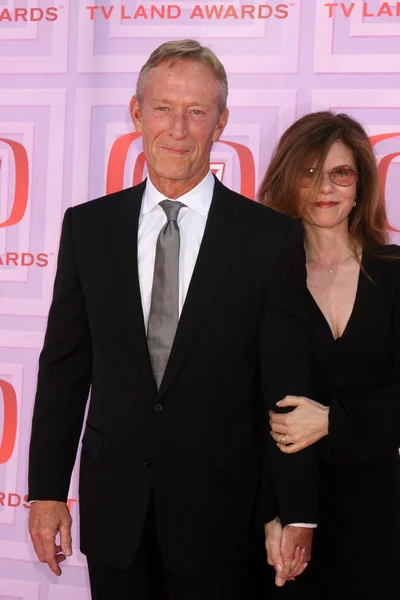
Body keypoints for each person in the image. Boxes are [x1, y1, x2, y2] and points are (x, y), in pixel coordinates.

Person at [27, 39, 316, 600]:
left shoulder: (269, 238)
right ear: (137, 113)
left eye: (196, 112)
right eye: (163, 108)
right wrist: (46, 492)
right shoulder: (89, 229)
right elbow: (64, 369)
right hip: (116, 518)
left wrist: (296, 510)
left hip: (223, 518)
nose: (178, 130)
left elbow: (287, 388)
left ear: (221, 122)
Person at [259, 111, 400, 598]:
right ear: (288, 179)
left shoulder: (396, 271)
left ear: (360, 183)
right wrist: (271, 513)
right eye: (310, 171)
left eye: (340, 173)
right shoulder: (259, 279)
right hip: (285, 515)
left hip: (377, 513)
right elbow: (240, 402)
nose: (325, 187)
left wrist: (334, 422)